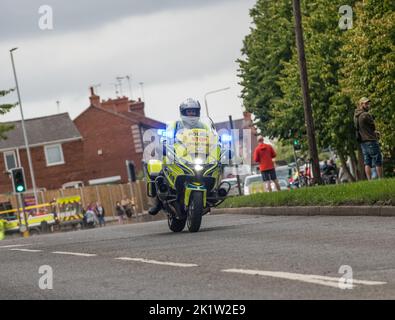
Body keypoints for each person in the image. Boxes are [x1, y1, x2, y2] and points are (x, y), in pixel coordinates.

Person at [148, 98, 206, 215]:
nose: (191, 114)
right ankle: (158, 202)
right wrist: (162, 145)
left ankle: (215, 191)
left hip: (198, 156)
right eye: (189, 111)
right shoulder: (175, 125)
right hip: (177, 155)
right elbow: (167, 138)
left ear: (198, 112)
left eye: (194, 111)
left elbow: (214, 138)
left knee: (215, 167)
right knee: (160, 173)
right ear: (183, 112)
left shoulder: (203, 126)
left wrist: (222, 145)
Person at [354, 97, 383, 179]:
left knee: (367, 162)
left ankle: (369, 180)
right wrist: (375, 133)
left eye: (368, 103)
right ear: (361, 104)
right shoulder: (366, 115)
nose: (368, 105)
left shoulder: (356, 116)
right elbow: (372, 127)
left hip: (362, 141)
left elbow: (363, 128)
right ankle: (381, 179)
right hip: (371, 140)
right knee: (378, 160)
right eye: (366, 103)